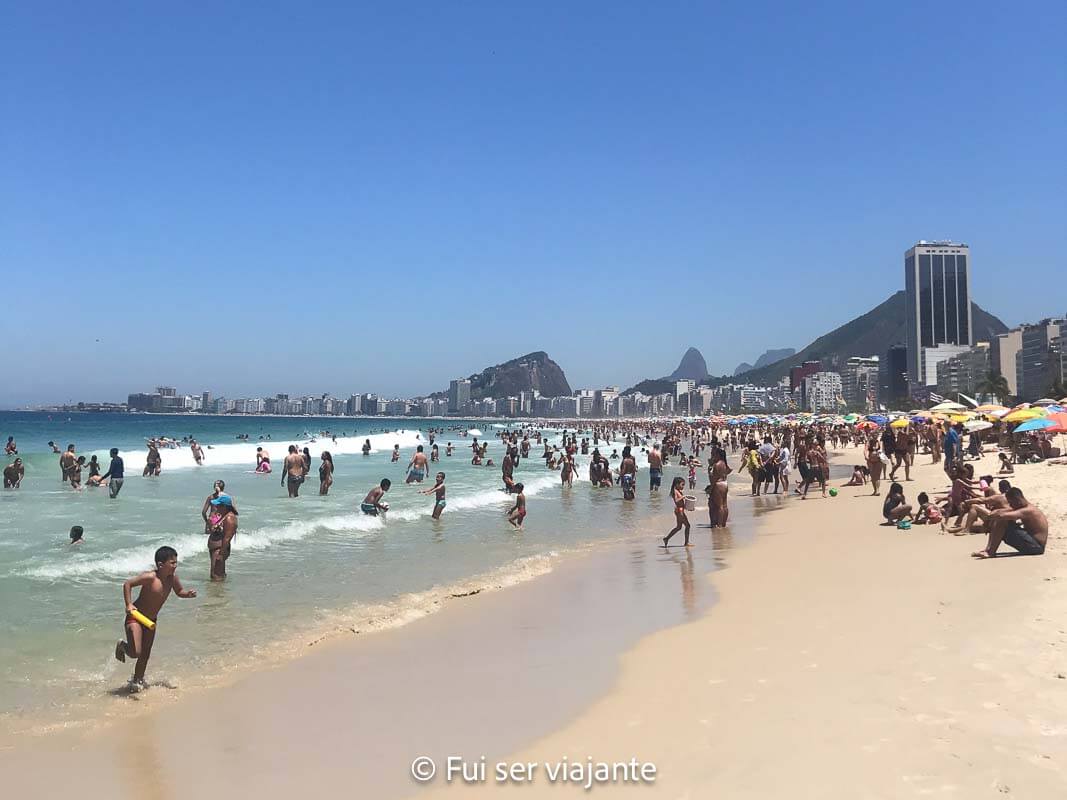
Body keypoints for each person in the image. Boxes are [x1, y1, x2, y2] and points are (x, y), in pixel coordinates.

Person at [114, 546, 196, 691]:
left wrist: (187, 594)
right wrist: (129, 604)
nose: (175, 566)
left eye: (176, 562)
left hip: (151, 621)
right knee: (136, 652)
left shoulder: (172, 579)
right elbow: (128, 584)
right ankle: (122, 646)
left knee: (145, 654)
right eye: (172, 563)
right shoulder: (150, 577)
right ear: (160, 565)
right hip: (136, 617)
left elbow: (179, 592)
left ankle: (137, 681)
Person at [972, 488, 1048, 558]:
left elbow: (1001, 516)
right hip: (1032, 543)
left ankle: (991, 552)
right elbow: (999, 511)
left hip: (1036, 547)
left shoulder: (1028, 510)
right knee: (999, 519)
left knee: (1002, 520)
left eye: (1011, 503)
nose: (1010, 505)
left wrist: (988, 519)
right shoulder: (1022, 507)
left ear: (1017, 500)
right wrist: (989, 520)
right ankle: (988, 549)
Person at [206, 494, 238, 580]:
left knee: (216, 575)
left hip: (219, 549)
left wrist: (221, 554)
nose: (216, 506)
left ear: (224, 506)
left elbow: (227, 538)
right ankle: (220, 591)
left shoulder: (229, 518)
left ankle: (218, 593)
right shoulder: (223, 516)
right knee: (216, 574)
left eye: (218, 505)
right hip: (216, 549)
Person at [663, 477, 691, 547]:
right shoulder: (675, 491)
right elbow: (676, 500)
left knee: (679, 527)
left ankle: (666, 538)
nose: (683, 486)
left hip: (680, 510)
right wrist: (683, 497)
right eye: (682, 485)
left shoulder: (678, 491)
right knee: (687, 526)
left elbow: (682, 503)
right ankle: (686, 542)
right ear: (677, 484)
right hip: (679, 511)